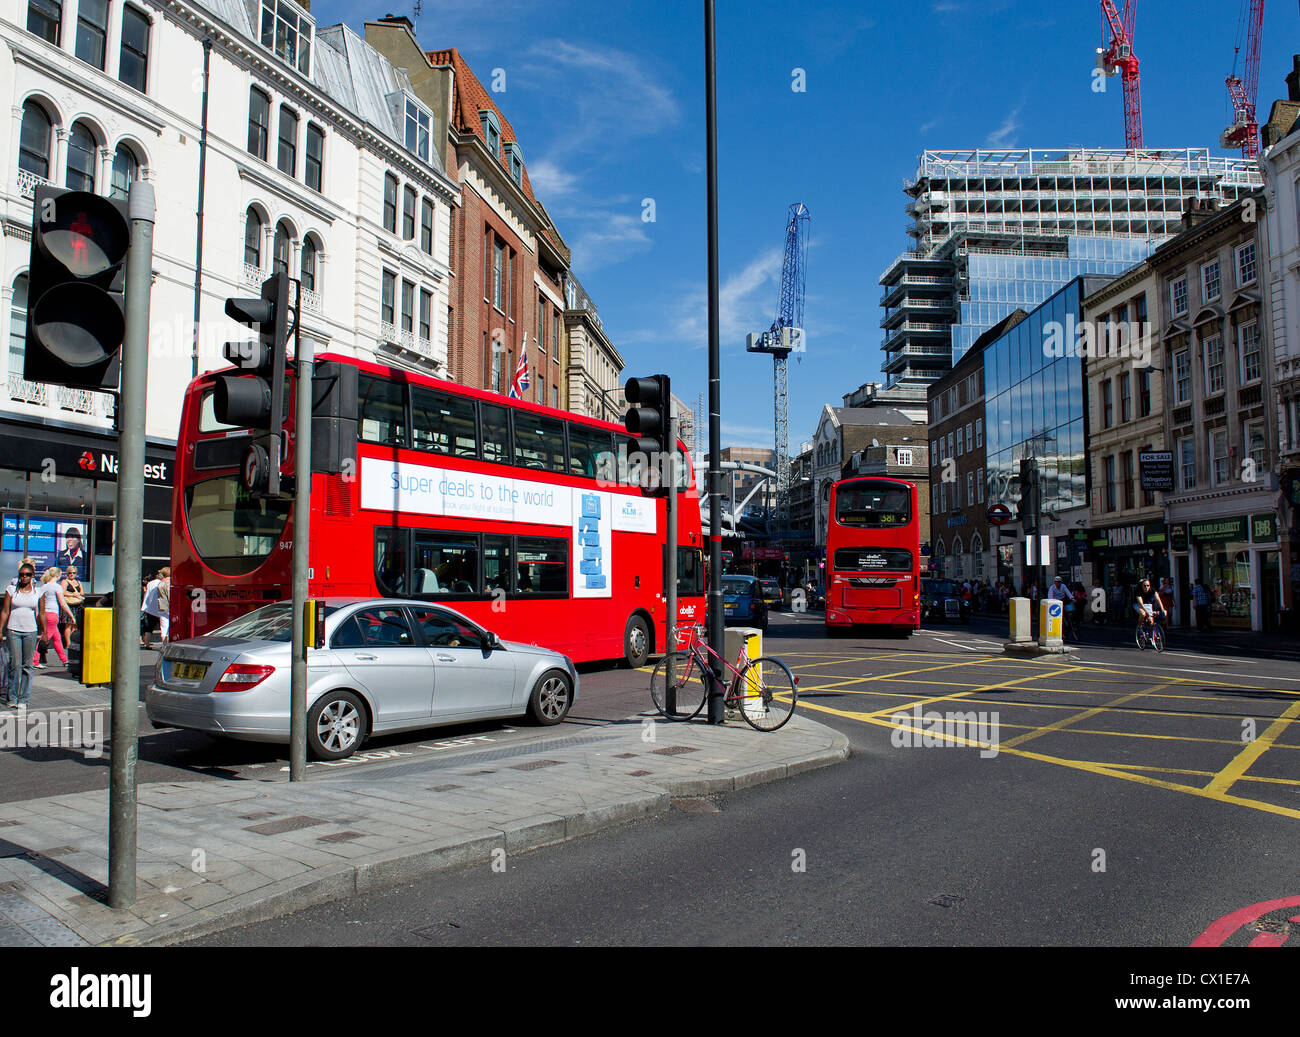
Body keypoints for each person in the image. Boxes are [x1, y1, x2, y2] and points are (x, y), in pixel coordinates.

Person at [0, 562, 46, 708]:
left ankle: (24, 699)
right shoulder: (11, 590)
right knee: (14, 665)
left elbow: (42, 613)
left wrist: (44, 631)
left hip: (30, 631)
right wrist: (0, 629)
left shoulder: (38, 592)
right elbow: (5, 611)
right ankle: (12, 698)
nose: (24, 577)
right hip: (13, 630)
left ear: (33, 576)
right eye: (21, 574)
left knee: (27, 666)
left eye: (27, 574)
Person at [34, 567, 76, 669]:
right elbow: (62, 603)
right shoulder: (57, 587)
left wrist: (38, 616)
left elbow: (38, 603)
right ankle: (34, 660)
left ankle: (65, 660)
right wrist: (71, 615)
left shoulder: (43, 587)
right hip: (53, 614)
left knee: (57, 638)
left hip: (45, 614)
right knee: (45, 638)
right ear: (57, 575)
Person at [140, 570, 163, 647]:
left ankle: (147, 644)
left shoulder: (150, 583)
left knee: (149, 628)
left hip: (149, 608)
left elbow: (147, 595)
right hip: (161, 609)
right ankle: (165, 644)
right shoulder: (163, 583)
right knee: (164, 627)